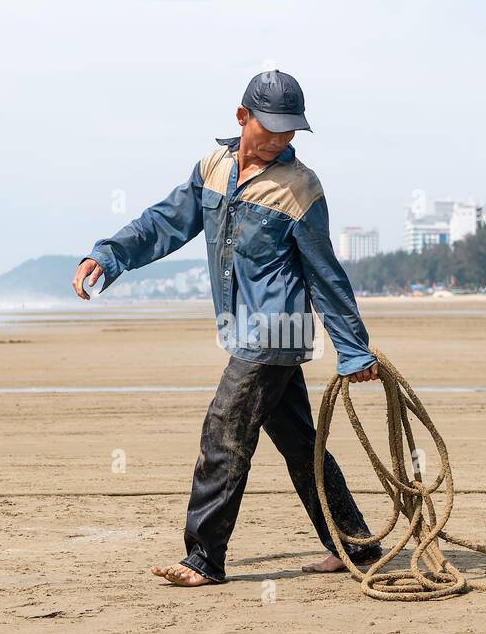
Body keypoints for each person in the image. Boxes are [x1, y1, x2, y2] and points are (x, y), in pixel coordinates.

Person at [72, 70, 381, 587]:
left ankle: (204, 557)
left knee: (224, 431)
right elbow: (164, 223)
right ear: (242, 117)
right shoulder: (212, 168)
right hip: (242, 330)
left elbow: (325, 272)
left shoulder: (301, 188)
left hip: (274, 332)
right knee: (301, 446)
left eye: (290, 131)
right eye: (272, 128)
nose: (281, 139)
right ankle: (354, 544)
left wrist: (354, 351)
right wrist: (108, 256)